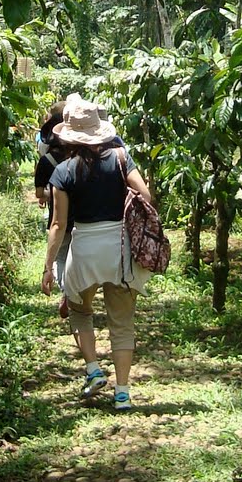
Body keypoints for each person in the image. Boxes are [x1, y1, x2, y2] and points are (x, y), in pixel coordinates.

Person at [40, 93, 152, 411]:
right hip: (120, 249)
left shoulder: (63, 172)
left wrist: (48, 267)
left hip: (84, 250)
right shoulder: (120, 158)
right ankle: (123, 393)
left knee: (79, 310)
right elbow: (145, 195)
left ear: (68, 137)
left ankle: (93, 369)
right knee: (122, 322)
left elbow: (58, 225)